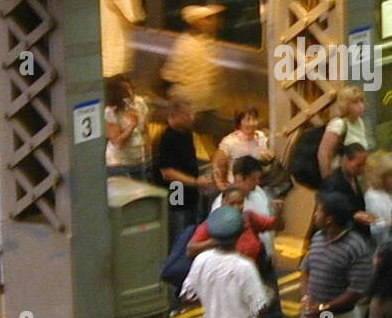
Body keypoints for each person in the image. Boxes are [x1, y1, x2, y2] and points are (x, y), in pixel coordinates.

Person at [219, 155, 288, 318]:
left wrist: (272, 249)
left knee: (271, 308)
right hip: (238, 267)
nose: (256, 184)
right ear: (239, 177)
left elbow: (270, 225)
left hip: (262, 260)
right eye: (252, 180)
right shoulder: (222, 203)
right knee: (242, 314)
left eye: (258, 179)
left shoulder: (259, 195)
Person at [161, 3, 226, 140]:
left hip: (207, 103)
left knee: (207, 137)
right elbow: (171, 74)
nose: (213, 22)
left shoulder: (208, 41)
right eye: (208, 19)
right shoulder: (184, 44)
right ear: (197, 23)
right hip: (190, 105)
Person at [154, 97, 208, 245]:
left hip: (191, 193)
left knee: (192, 228)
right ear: (174, 115)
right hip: (176, 191)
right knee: (180, 230)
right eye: (187, 114)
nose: (191, 117)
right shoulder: (166, 138)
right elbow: (167, 172)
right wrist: (195, 182)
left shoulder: (186, 134)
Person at [319, 142, 375, 242]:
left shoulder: (355, 179)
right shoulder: (333, 182)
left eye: (364, 165)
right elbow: (330, 206)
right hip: (343, 236)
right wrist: (353, 215)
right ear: (345, 160)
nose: (362, 169)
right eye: (359, 165)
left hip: (360, 233)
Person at [99, 0, 144, 83]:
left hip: (118, 48)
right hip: (101, 49)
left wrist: (118, 6)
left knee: (117, 82)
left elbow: (134, 20)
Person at [317, 85, 371, 180]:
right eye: (355, 102)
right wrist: (328, 181)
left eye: (361, 101)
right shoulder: (339, 124)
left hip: (354, 177)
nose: (361, 105)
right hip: (339, 177)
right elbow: (323, 154)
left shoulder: (359, 122)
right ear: (345, 105)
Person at [212, 107, 273, 190]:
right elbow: (218, 164)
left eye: (254, 119)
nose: (251, 123)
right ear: (239, 122)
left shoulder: (262, 137)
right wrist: (220, 184)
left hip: (259, 186)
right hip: (237, 188)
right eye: (247, 120)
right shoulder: (229, 142)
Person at [103, 74, 149, 180]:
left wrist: (147, 153)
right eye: (125, 91)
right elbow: (118, 143)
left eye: (131, 88)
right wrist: (131, 126)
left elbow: (145, 130)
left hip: (138, 160)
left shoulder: (139, 103)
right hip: (119, 163)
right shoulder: (111, 112)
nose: (130, 93)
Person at [363, 151, 392, 250]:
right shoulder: (372, 197)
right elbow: (372, 228)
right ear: (383, 178)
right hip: (384, 246)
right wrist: (389, 222)